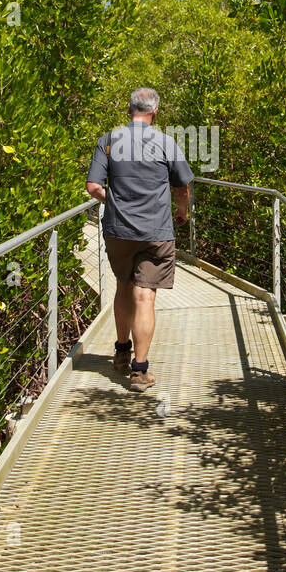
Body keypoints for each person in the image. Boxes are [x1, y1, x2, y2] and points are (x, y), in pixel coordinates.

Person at [85, 87, 194, 392]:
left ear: (128, 110)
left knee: (124, 286)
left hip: (118, 229)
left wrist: (114, 200)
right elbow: (182, 187)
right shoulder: (165, 142)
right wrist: (182, 211)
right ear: (155, 112)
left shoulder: (107, 141)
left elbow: (93, 187)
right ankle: (139, 371)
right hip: (155, 231)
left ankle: (121, 353)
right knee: (145, 295)